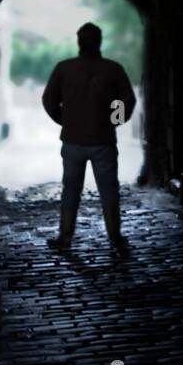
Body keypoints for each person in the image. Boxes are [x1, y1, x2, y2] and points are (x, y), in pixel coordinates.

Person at [42, 22, 136, 254]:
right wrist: (113, 121)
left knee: (70, 190)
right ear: (100, 42)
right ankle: (115, 235)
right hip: (103, 140)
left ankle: (64, 236)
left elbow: (49, 100)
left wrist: (65, 120)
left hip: (73, 140)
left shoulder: (64, 68)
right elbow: (127, 100)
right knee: (109, 190)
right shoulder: (113, 69)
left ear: (79, 42)